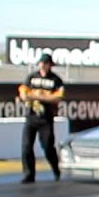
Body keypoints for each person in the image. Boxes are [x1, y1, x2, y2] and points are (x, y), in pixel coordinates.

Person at [17, 53, 64, 183]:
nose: (43, 65)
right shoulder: (32, 77)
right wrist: (26, 96)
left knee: (48, 146)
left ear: (50, 65)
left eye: (45, 63)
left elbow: (57, 98)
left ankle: (56, 169)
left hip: (46, 119)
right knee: (26, 146)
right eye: (41, 63)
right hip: (31, 117)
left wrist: (38, 96)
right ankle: (29, 174)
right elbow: (23, 92)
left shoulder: (55, 80)